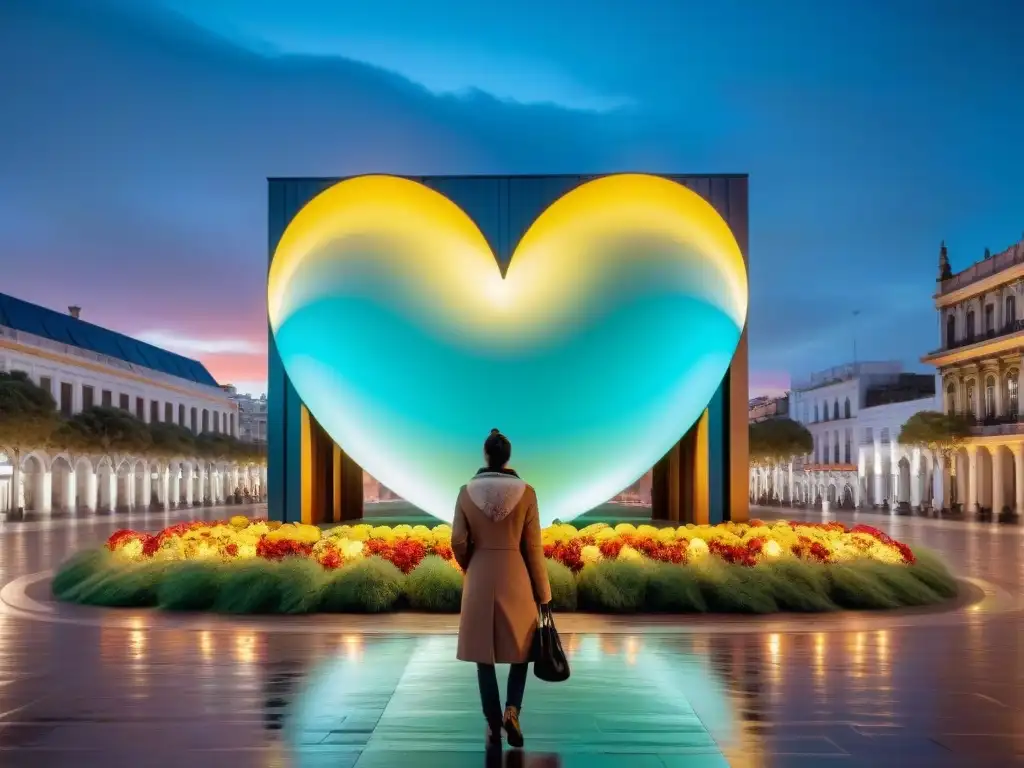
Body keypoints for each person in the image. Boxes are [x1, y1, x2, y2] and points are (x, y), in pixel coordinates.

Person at [452, 429, 552, 750]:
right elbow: (533, 549)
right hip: (516, 575)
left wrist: (471, 562)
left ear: (486, 455)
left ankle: (493, 720)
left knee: (483, 652)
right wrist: (544, 594)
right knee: (523, 648)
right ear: (507, 457)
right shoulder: (527, 493)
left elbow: (457, 541)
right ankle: (512, 710)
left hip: (480, 574)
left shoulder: (466, 492)